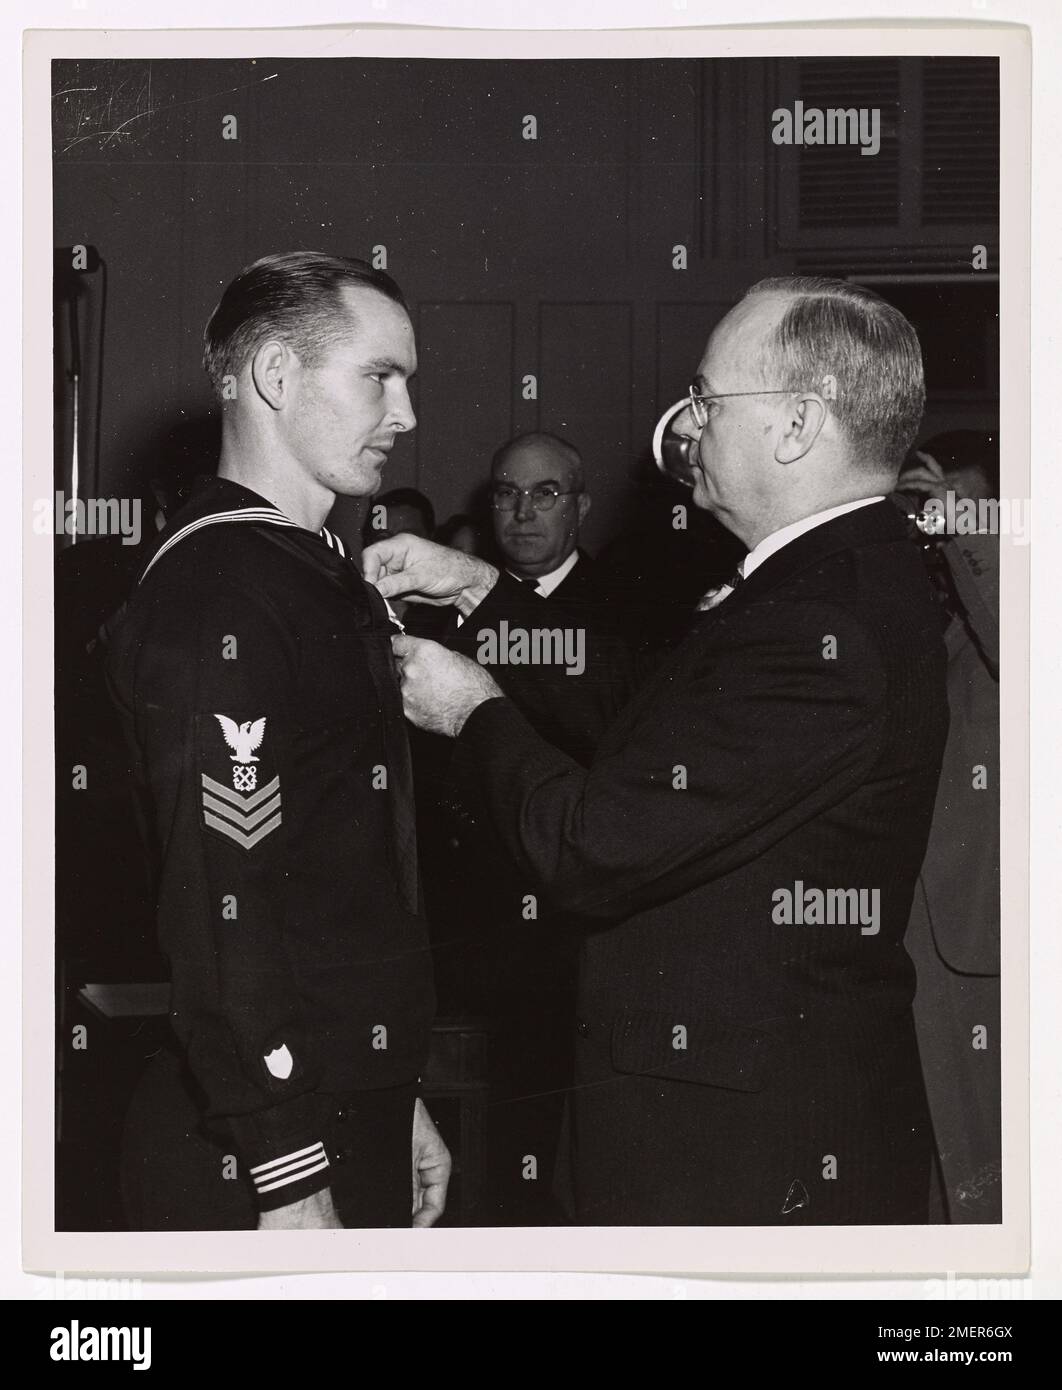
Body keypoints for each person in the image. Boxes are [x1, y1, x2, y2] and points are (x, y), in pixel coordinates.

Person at [365, 275, 950, 1225]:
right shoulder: (827, 581)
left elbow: (592, 847)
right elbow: (654, 714)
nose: (685, 428)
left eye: (708, 402)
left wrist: (475, 712)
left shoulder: (821, 619)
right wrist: (481, 589)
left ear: (798, 427)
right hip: (737, 1118)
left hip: (739, 1154)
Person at [103, 251, 448, 1230]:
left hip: (340, 1103)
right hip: (256, 1155)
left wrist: (392, 1091)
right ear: (277, 377)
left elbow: (338, 885)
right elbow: (224, 901)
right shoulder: (222, 588)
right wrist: (288, 1166)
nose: (408, 414)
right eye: (380, 376)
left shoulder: (303, 573)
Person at [895, 442, 1001, 1222]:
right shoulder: (913, 631)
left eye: (968, 514)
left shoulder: (1012, 635)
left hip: (977, 950)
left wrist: (952, 521)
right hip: (891, 948)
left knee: (984, 1181)